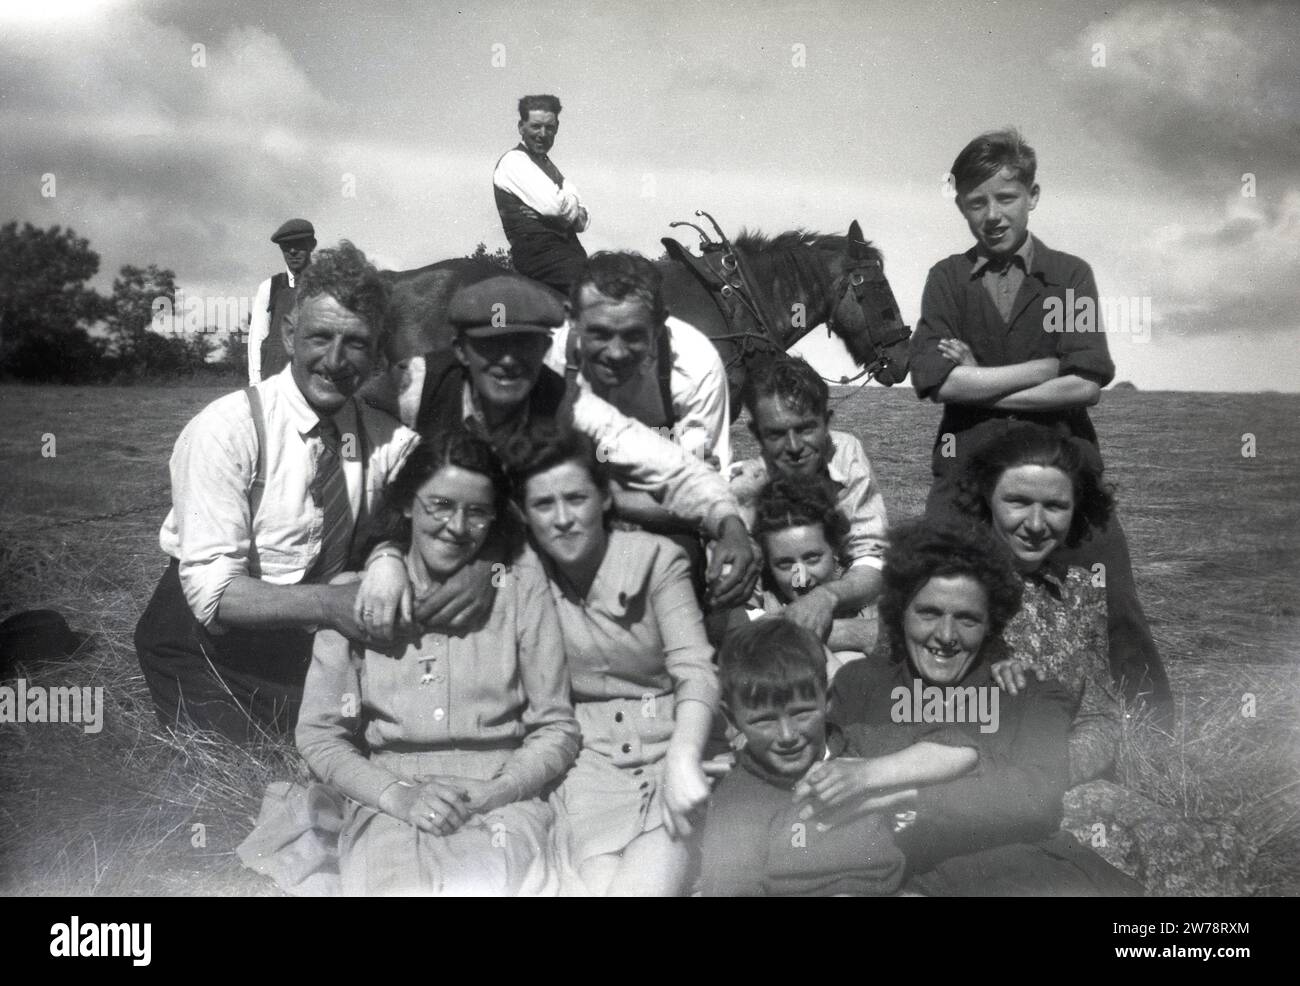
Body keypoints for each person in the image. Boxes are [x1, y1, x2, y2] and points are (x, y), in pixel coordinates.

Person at [908, 128, 1170, 712]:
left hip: (1065, 472)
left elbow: (1087, 383)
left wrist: (982, 384)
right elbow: (933, 380)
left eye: (1006, 198)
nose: (992, 215)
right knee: (937, 592)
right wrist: (1041, 367)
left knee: (1113, 598)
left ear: (1033, 195)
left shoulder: (1068, 275)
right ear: (960, 206)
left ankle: (1154, 739)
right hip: (967, 474)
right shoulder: (946, 279)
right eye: (976, 203)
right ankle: (939, 719)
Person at [359, 275, 758, 632]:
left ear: (545, 347)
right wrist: (386, 555)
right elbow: (355, 430)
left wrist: (729, 524)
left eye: (524, 344)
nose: (509, 360)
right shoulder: (416, 383)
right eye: (491, 346)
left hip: (512, 566)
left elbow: (674, 468)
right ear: (461, 351)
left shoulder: (565, 403)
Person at [134, 242, 419, 741]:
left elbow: (440, 501)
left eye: (355, 342)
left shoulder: (385, 437)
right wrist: (332, 607)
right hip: (208, 635)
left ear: (376, 353)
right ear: (288, 336)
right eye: (320, 337)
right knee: (278, 745)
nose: (335, 360)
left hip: (306, 623)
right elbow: (213, 595)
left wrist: (390, 554)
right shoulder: (227, 428)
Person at [283, 433, 580, 895]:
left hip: (500, 796)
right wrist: (397, 797)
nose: (457, 526)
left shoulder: (520, 592)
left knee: (489, 878)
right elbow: (321, 734)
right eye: (440, 504)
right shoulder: (353, 596)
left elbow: (556, 728)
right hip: (388, 795)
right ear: (406, 505)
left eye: (477, 512)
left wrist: (498, 790)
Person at [820, 522, 1144, 896]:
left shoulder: (1029, 696)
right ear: (899, 612)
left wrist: (901, 792)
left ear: (991, 623)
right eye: (928, 613)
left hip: (1021, 876)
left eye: (967, 619)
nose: (945, 636)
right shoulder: (858, 684)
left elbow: (1036, 798)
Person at [507, 427, 716, 896]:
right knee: (600, 880)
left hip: (673, 746)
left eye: (576, 498)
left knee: (654, 872)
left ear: (604, 498)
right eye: (543, 505)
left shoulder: (657, 560)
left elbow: (695, 670)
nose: (563, 519)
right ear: (524, 513)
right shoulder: (521, 574)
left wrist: (684, 757)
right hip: (588, 762)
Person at [958, 423, 1122, 787]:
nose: (1035, 524)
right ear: (987, 497)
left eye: (1055, 506)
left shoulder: (1081, 589)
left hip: (1055, 786)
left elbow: (1101, 717)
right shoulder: (941, 582)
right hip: (961, 794)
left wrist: (1051, 773)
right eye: (1017, 502)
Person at [698, 619, 912, 897]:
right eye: (764, 720)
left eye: (801, 713)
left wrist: (875, 774)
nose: (787, 735)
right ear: (732, 718)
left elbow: (961, 749)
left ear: (829, 699)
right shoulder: (737, 802)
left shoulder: (865, 747)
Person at [729, 355, 888, 639]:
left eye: (805, 429)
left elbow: (871, 559)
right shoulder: (742, 487)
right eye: (777, 434)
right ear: (756, 433)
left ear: (826, 422)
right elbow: (741, 605)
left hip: (841, 602)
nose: (793, 447)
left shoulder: (845, 453)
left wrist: (826, 598)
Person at [545, 251, 731, 473]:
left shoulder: (696, 365)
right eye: (600, 334)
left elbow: (706, 490)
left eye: (633, 336)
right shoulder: (549, 361)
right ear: (572, 319)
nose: (616, 353)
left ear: (660, 325)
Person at [745, 477, 878, 677]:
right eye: (785, 564)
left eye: (812, 559)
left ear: (834, 548)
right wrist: (856, 633)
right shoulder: (763, 600)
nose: (801, 579)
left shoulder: (867, 601)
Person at [493, 94, 588, 294]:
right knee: (595, 290)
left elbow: (582, 223)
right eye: (536, 126)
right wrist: (571, 203)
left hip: (567, 255)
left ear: (557, 128)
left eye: (549, 127)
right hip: (540, 257)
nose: (543, 134)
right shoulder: (514, 161)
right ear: (521, 127)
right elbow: (553, 208)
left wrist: (564, 208)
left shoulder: (548, 166)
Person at [248, 218, 316, 384]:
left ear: (312, 245)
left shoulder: (327, 284)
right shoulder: (269, 287)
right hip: (275, 381)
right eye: (286, 246)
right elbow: (257, 338)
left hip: (313, 380)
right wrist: (256, 384)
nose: (292, 251)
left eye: (299, 244)